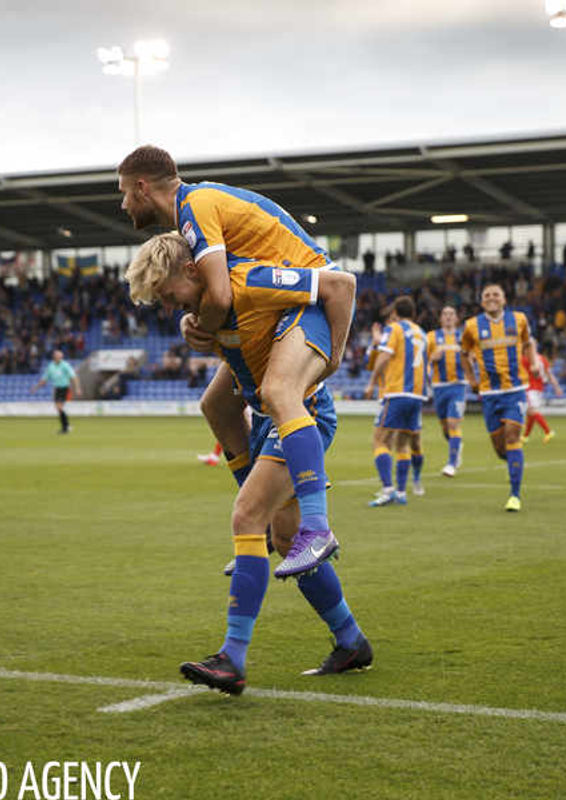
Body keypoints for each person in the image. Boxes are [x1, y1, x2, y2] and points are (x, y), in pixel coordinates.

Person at [125, 231, 370, 695]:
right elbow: (238, 369)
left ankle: (232, 658)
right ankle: (351, 640)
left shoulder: (251, 281)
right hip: (262, 418)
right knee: (283, 535)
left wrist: (334, 356)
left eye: (169, 293)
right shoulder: (205, 315)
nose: (173, 307)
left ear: (192, 270)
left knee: (247, 515)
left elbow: (339, 284)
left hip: (302, 414)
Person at [118, 144, 342, 573]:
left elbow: (219, 294)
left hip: (306, 295)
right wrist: (195, 322)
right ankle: (256, 514)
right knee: (216, 404)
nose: (123, 203)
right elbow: (213, 295)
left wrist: (334, 353)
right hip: (279, 299)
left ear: (142, 187)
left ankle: (316, 526)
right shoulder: (191, 215)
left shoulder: (195, 206)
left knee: (278, 391)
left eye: (125, 193)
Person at [459, 284, 537, 512]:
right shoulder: (472, 326)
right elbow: (464, 355)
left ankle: (515, 494)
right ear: (482, 301)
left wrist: (533, 362)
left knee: (513, 436)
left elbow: (529, 342)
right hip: (489, 394)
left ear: (504, 299)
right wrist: (471, 380)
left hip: (515, 390)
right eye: (487, 295)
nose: (491, 298)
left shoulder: (519, 319)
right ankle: (514, 463)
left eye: (496, 294)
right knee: (501, 448)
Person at [366, 297, 428, 506]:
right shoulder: (422, 333)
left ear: (396, 312)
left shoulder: (394, 329)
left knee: (380, 440)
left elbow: (383, 358)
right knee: (402, 443)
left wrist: (371, 383)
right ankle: (401, 492)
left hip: (396, 392)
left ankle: (387, 489)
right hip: (417, 395)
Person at [427, 305, 472, 477]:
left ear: (456, 318)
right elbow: (422, 361)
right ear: (440, 318)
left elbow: (473, 358)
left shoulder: (464, 337)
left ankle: (451, 463)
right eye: (444, 314)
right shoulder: (431, 337)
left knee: (454, 423)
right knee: (445, 427)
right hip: (439, 387)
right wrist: (432, 358)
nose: (448, 317)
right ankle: (456, 446)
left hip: (459, 386)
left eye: (451, 314)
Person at [522, 340, 562, 444]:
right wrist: (557, 387)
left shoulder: (526, 359)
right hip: (539, 388)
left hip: (529, 388)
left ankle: (548, 431)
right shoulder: (542, 359)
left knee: (531, 411)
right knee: (530, 413)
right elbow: (549, 375)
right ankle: (525, 436)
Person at [32, 350, 77, 434]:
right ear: (54, 357)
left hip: (64, 388)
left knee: (59, 407)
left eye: (60, 356)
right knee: (58, 408)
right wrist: (36, 387)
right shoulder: (51, 366)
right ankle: (66, 426)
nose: (59, 357)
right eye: (57, 355)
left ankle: (65, 428)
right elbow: (44, 379)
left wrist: (78, 388)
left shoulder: (65, 365)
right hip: (56, 388)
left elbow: (73, 376)